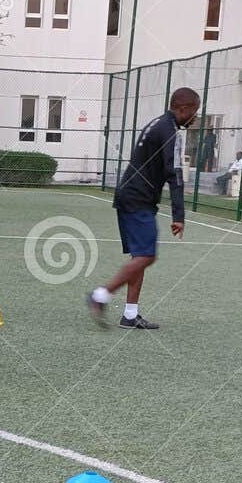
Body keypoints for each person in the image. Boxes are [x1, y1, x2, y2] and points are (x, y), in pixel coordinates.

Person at [87, 86, 200, 331]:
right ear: (184, 108)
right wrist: (179, 216)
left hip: (132, 195)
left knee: (140, 256)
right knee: (147, 256)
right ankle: (100, 295)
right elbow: (175, 175)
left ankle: (130, 315)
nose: (195, 118)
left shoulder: (158, 124)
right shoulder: (170, 131)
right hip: (137, 198)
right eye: (195, 112)